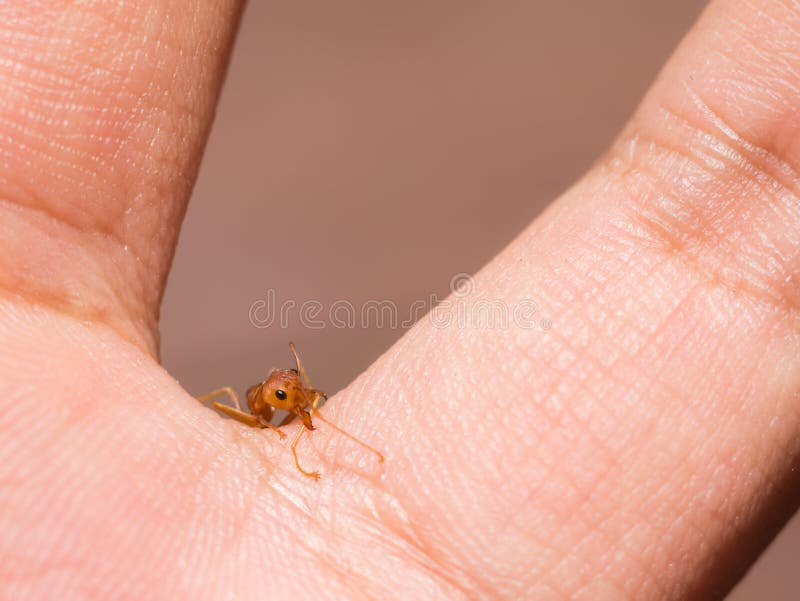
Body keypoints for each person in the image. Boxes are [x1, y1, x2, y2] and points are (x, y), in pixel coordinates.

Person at [1, 1, 798, 598]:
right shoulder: (274, 414)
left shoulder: (297, 403)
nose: (294, 401)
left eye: (292, 396)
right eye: (288, 397)